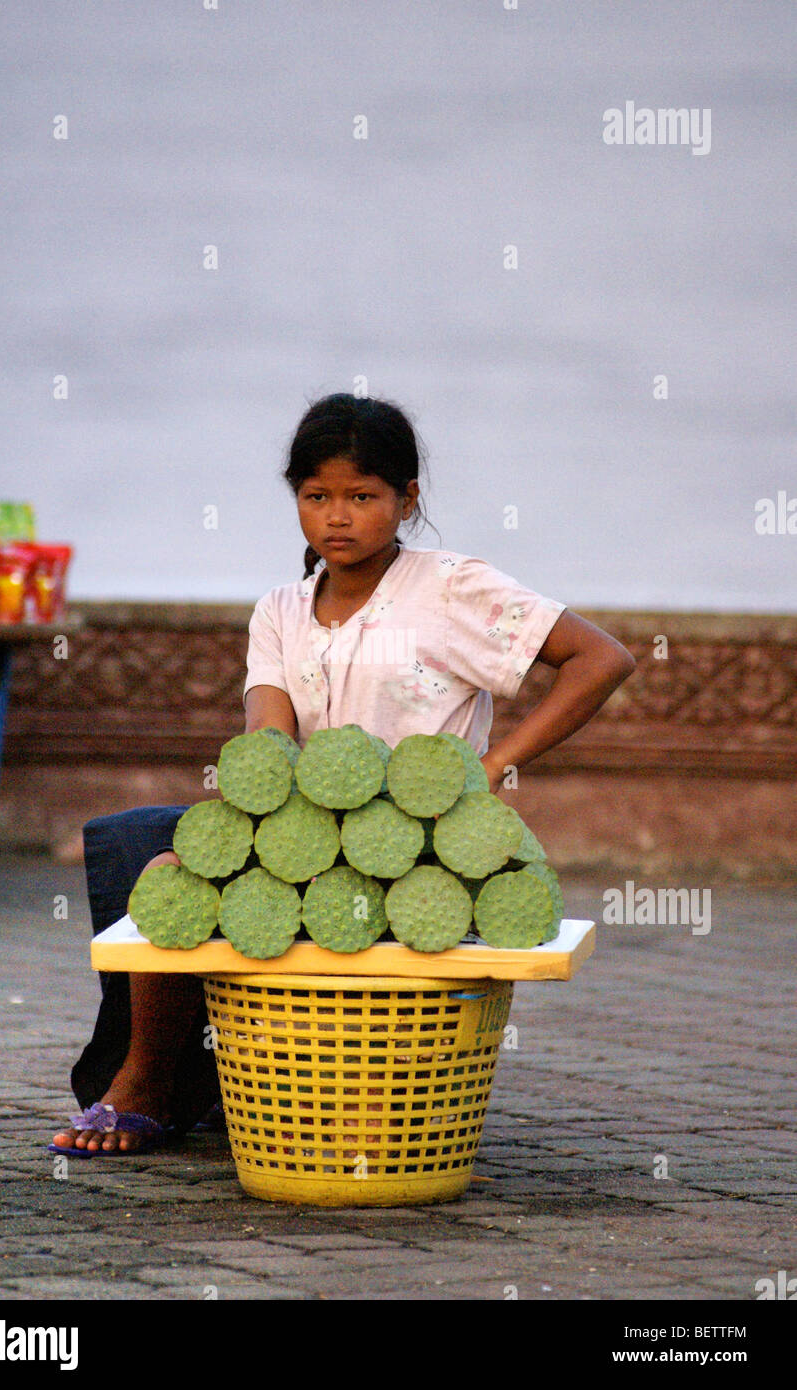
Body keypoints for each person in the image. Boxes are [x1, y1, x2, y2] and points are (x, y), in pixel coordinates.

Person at [51, 392, 636, 1155]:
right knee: (161, 865)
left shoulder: (452, 588)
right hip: (306, 847)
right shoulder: (280, 612)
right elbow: (270, 737)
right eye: (316, 496)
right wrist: (251, 799)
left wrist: (493, 766)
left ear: (406, 500)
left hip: (424, 856)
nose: (338, 516)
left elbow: (603, 659)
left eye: (362, 496)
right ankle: (147, 1081)